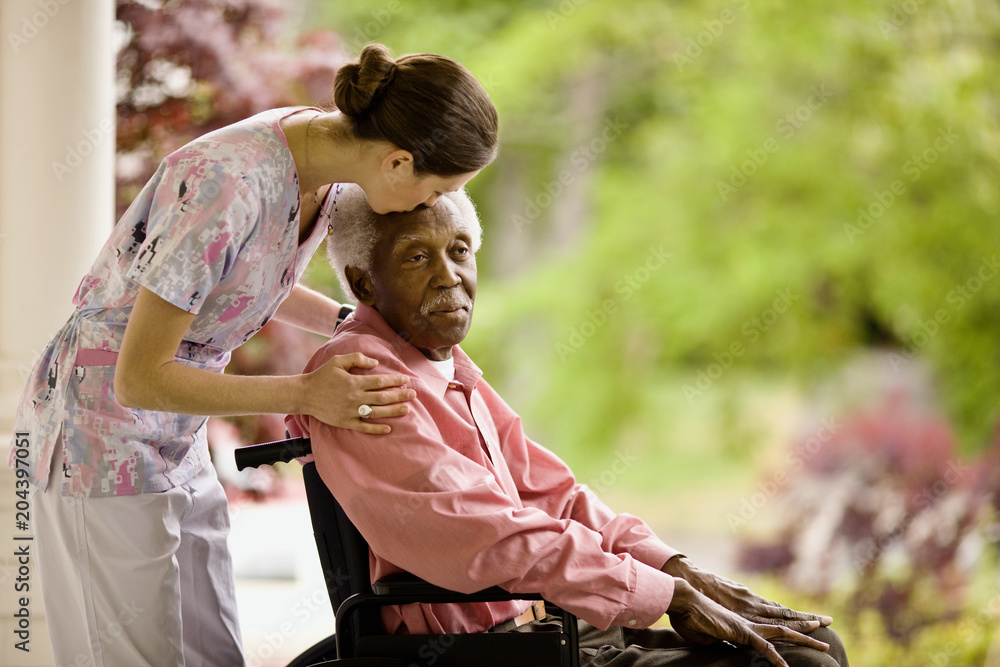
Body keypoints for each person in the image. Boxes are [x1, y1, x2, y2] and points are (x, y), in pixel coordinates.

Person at [8, 44, 497, 666]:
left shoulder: (322, 162)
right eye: (439, 188)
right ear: (398, 160)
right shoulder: (228, 183)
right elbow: (139, 377)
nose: (428, 206)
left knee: (213, 650)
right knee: (138, 656)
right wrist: (305, 392)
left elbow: (250, 272)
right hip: (97, 432)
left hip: (175, 431)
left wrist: (357, 325)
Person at [285, 184, 850, 667]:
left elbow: (554, 496)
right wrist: (665, 597)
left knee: (815, 640)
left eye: (459, 250)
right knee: (802, 662)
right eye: (415, 257)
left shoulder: (446, 366)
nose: (448, 276)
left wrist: (677, 570)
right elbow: (482, 533)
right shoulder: (361, 378)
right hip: (480, 651)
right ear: (362, 283)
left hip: (548, 626)